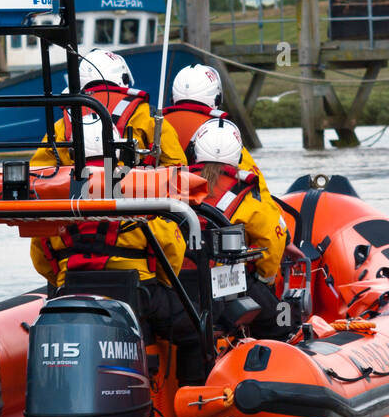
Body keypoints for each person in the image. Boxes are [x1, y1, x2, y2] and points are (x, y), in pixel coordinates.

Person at [30, 114, 206, 385]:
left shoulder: (55, 191)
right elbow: (170, 250)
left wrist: (64, 279)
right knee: (197, 331)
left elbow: (41, 257)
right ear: (117, 146)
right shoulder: (137, 185)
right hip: (138, 293)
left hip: (71, 294)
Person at [186, 118, 289, 339]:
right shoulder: (246, 194)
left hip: (179, 285)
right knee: (285, 315)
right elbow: (272, 240)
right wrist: (265, 280)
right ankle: (285, 351)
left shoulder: (173, 182)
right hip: (226, 288)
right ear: (239, 157)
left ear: (195, 151)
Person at [30, 48, 186, 168]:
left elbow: (40, 169)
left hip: (78, 201)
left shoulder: (65, 121)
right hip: (133, 203)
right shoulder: (144, 112)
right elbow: (176, 161)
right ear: (121, 77)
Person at [163, 63, 269, 197]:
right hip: (201, 205)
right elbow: (255, 181)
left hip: (157, 203)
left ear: (173, 96)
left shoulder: (155, 123)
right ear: (216, 97)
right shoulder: (217, 131)